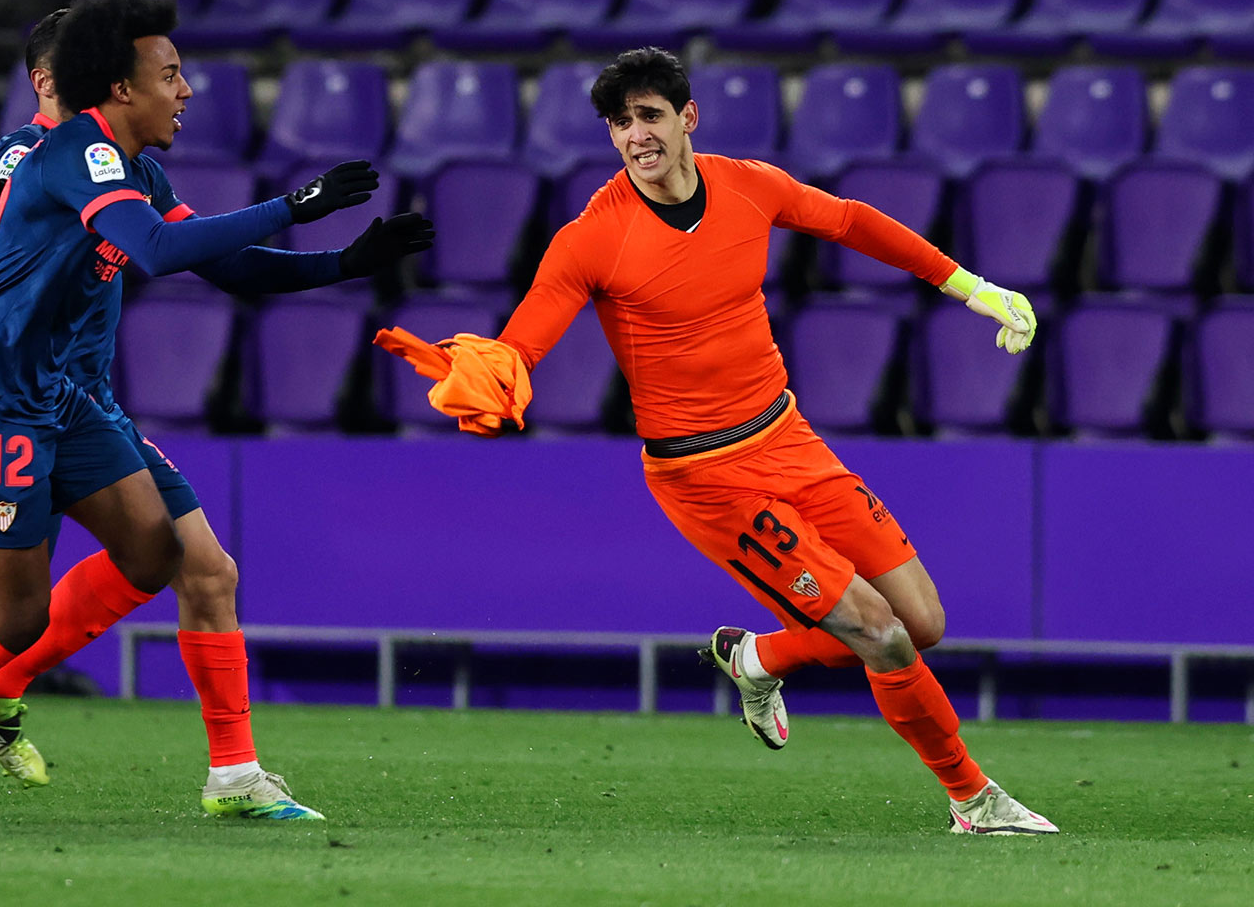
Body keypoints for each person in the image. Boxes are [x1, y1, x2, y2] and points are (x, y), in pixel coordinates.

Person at [379, 47, 1058, 836]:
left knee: (924, 623)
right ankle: (973, 800)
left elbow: (850, 221)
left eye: (649, 115)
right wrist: (489, 369)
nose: (635, 135)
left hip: (789, 437)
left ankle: (759, 659)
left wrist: (971, 288)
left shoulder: (748, 185)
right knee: (880, 633)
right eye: (620, 122)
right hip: (705, 477)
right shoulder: (591, 240)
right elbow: (524, 341)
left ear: (687, 117)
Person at [0, 0, 406, 822]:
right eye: (171, 74)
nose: (187, 90)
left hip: (65, 394)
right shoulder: (65, 153)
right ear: (121, 88)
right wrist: (296, 204)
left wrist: (343, 262)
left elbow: (227, 267)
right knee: (11, 616)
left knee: (157, 553)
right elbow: (158, 251)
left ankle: (231, 775)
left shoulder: (133, 165)